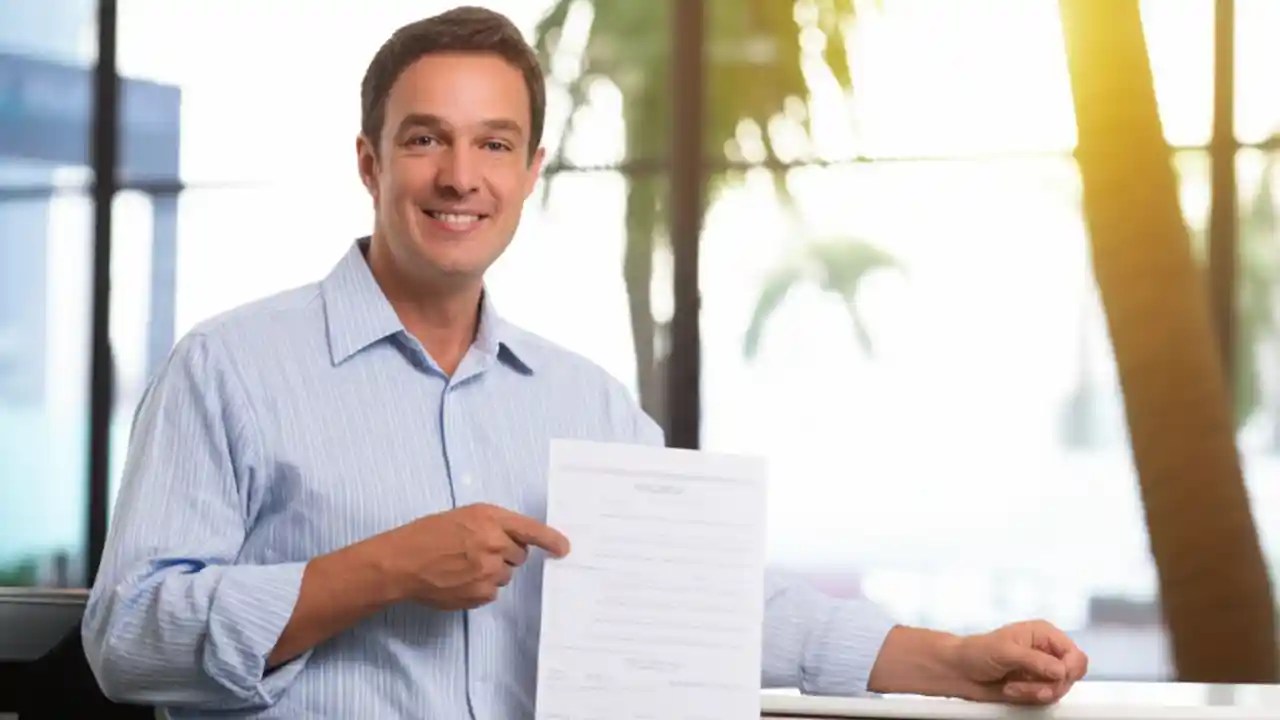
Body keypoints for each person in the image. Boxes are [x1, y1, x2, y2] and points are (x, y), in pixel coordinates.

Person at [82, 7, 1088, 719]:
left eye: (494, 143)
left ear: (529, 171)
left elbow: (713, 604)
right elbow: (128, 640)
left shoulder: (584, 401)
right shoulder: (227, 369)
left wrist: (951, 662)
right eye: (425, 138)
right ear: (369, 161)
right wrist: (385, 569)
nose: (458, 176)